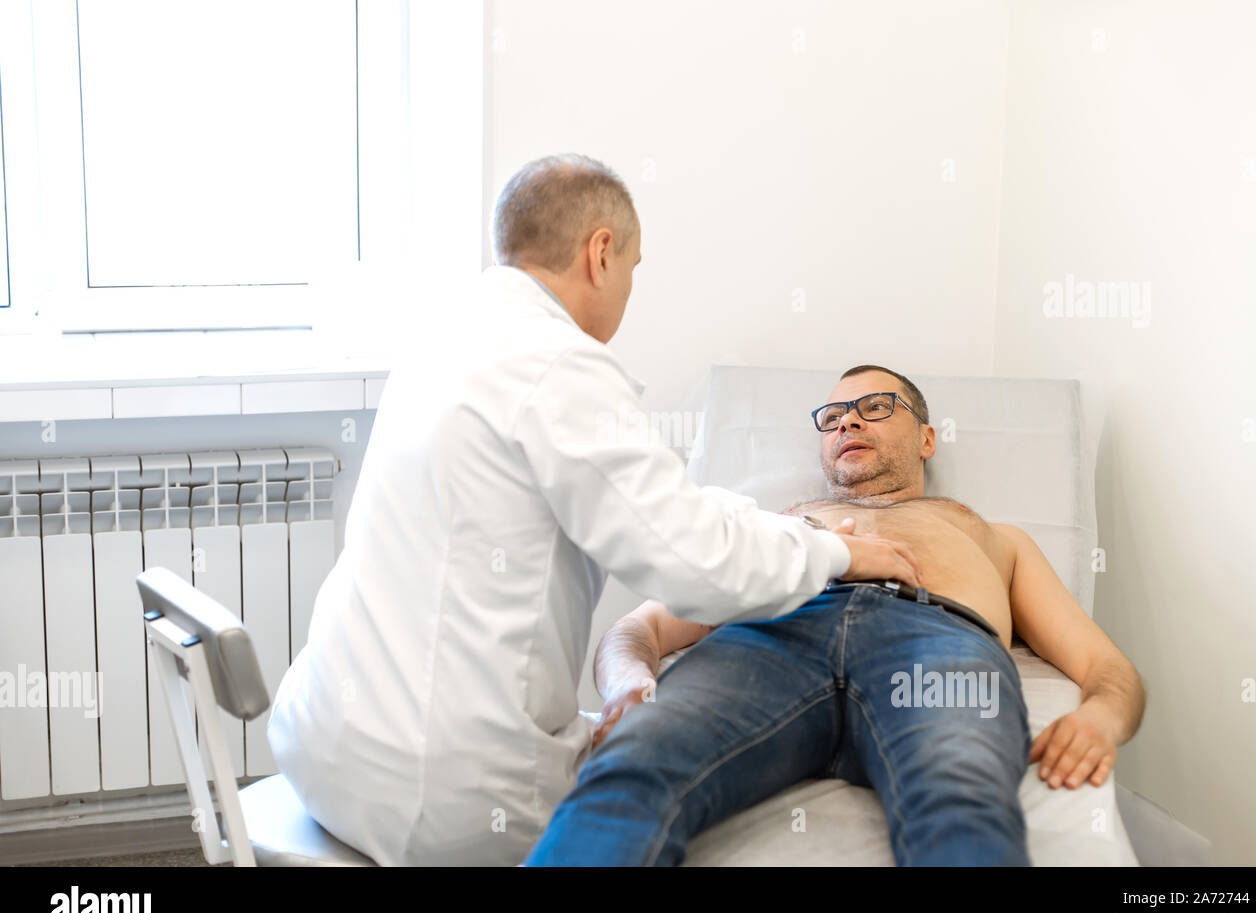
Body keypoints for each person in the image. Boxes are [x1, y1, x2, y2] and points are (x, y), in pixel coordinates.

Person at [267, 156, 921, 865]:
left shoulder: (445, 338)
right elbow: (695, 560)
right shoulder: (557, 366)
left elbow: (662, 514)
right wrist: (833, 549)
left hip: (326, 741)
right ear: (600, 253)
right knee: (662, 809)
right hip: (440, 792)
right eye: (634, 268)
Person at [526, 364, 1146, 866]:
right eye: (833, 416)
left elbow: (1106, 666)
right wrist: (627, 679)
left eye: (876, 406)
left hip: (935, 641)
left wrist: (1100, 718)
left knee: (961, 800)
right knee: (633, 764)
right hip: (771, 634)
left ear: (926, 438)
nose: (848, 419)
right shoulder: (772, 529)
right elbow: (641, 628)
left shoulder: (993, 536)